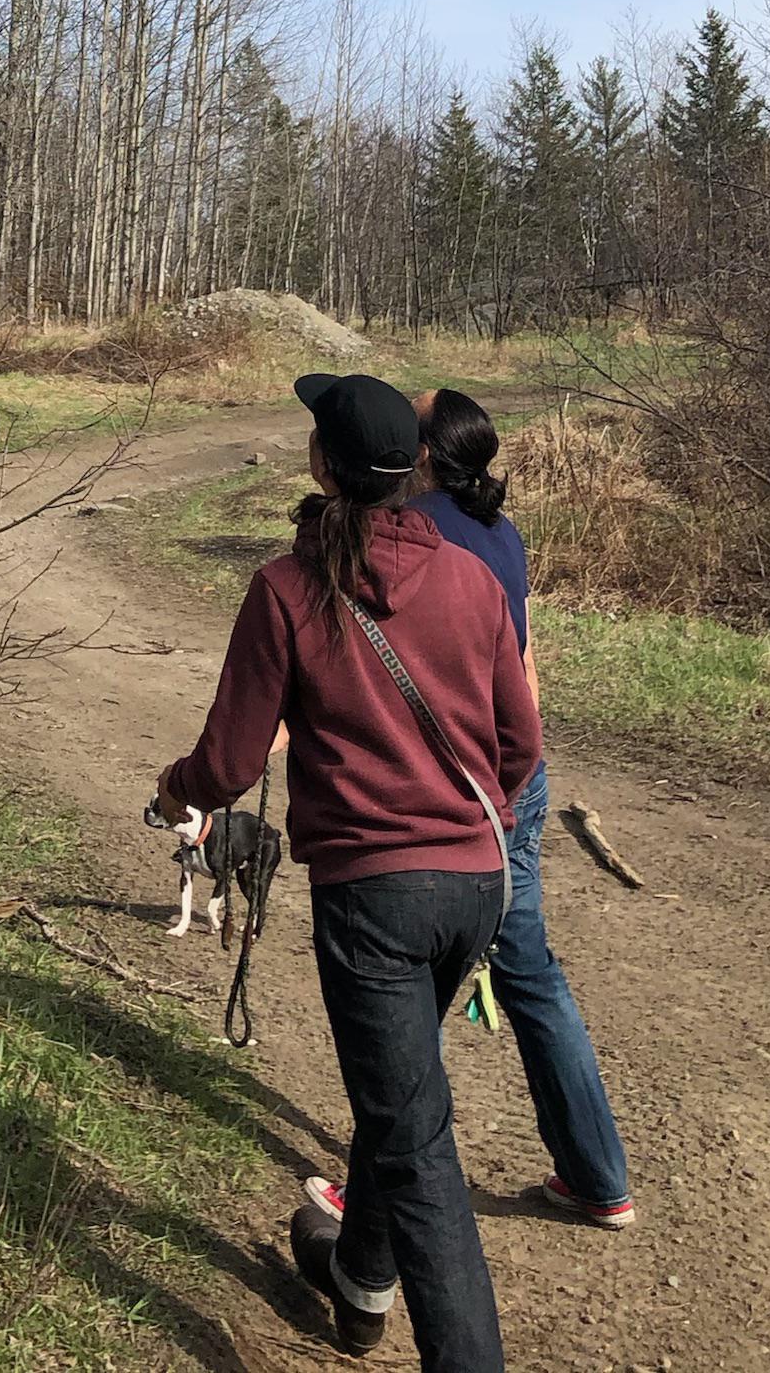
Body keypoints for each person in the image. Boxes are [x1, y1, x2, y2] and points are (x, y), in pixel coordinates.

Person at [154, 372, 539, 1371]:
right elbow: (521, 743)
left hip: (374, 898)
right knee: (400, 1098)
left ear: (322, 465)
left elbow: (232, 766)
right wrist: (469, 817)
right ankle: (360, 1285)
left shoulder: (289, 586)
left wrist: (175, 788)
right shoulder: (472, 580)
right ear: (412, 469)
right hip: (477, 883)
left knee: (417, 1149)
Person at [411, 385, 634, 1228]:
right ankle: (596, 1175)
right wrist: (518, 784)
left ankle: (385, 1194)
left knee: (409, 987)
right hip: (515, 777)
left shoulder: (414, 536)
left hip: (452, 788)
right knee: (528, 971)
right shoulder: (507, 537)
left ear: (426, 453)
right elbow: (525, 673)